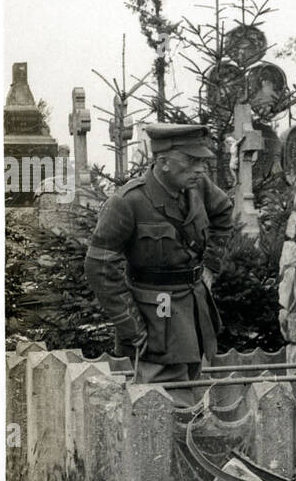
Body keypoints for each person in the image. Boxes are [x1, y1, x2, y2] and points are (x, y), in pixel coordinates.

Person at [84, 123, 233, 391]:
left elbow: (223, 213)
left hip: (194, 309)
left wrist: (211, 265)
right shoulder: (128, 201)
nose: (199, 169)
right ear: (163, 161)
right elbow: (100, 267)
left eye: (201, 161)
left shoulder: (199, 187)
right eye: (191, 160)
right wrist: (131, 325)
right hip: (155, 319)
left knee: (193, 388)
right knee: (161, 401)